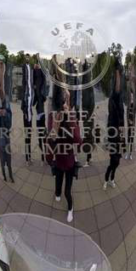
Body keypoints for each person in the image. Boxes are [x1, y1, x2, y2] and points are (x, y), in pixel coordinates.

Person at [47, 94, 81, 223]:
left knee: (67, 192)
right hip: (59, 163)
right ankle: (57, 193)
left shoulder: (70, 119)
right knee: (57, 187)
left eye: (66, 102)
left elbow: (79, 141)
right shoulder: (52, 119)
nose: (64, 106)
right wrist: (54, 130)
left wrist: (70, 117)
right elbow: (49, 158)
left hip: (70, 163)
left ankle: (70, 209)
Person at [104, 68, 125, 189]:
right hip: (113, 133)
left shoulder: (120, 99)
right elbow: (113, 116)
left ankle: (112, 178)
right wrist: (117, 73)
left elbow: (121, 114)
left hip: (118, 135)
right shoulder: (113, 98)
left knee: (117, 161)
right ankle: (107, 179)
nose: (119, 85)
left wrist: (123, 126)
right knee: (113, 161)